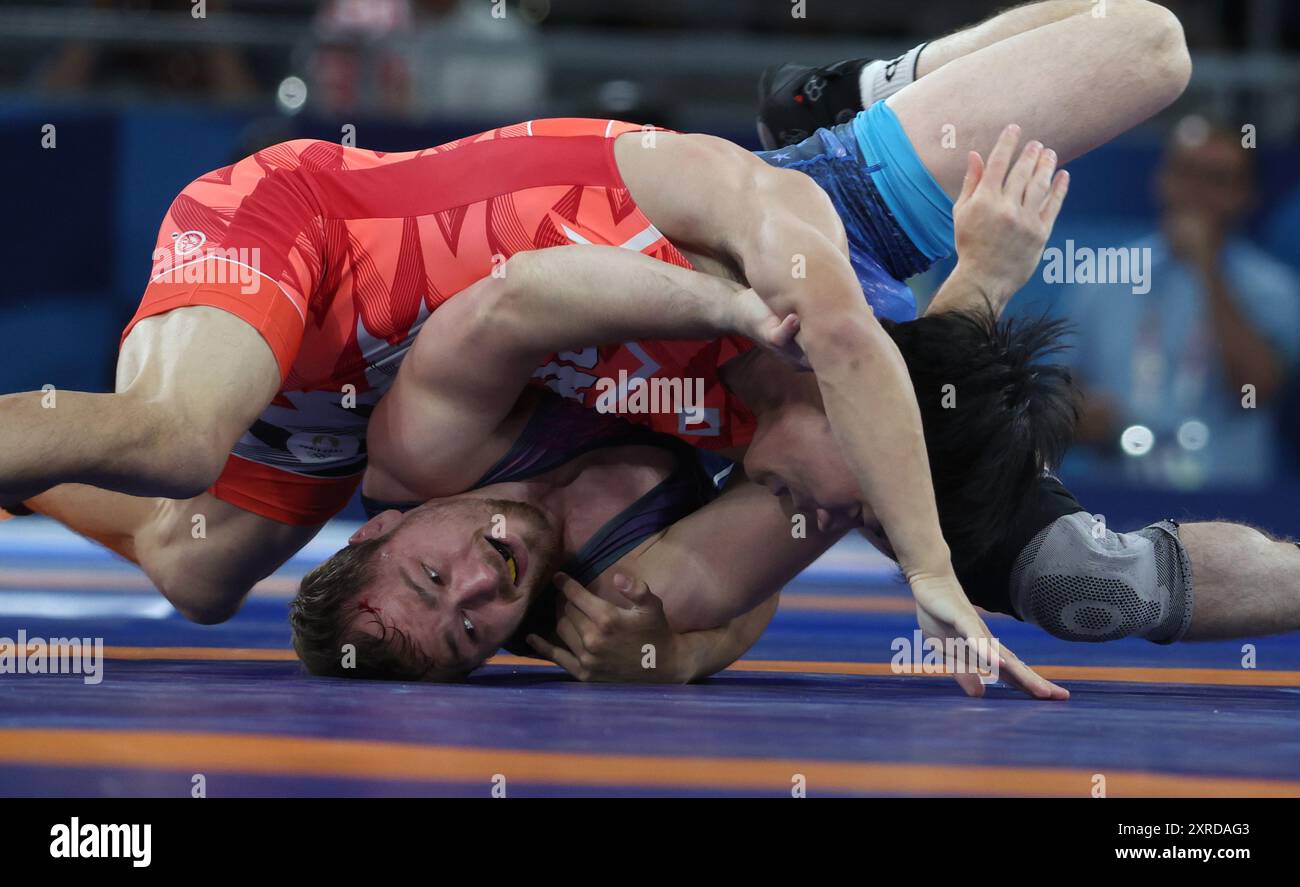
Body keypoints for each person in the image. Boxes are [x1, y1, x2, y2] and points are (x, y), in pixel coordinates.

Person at [1, 0, 1190, 692]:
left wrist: (925, 564)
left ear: (382, 525)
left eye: (437, 579)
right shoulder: (551, 560)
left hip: (305, 220)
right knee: (200, 562)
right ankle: (39, 472)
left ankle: (861, 87)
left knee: (178, 476)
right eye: (475, 623)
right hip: (378, 320)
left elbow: (537, 297)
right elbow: (754, 563)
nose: (484, 581)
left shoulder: (728, 203)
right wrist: (667, 657)